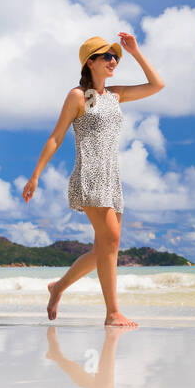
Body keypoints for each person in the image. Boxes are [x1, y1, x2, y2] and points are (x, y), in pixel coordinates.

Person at [21, 32, 164, 327]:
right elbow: (56, 136)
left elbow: (156, 85)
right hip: (90, 175)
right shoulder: (78, 96)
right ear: (90, 62)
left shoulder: (115, 95)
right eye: (107, 57)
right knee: (111, 241)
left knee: (104, 248)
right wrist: (35, 176)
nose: (113, 61)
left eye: (115, 57)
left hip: (112, 179)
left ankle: (58, 287)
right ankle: (112, 312)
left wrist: (135, 52)